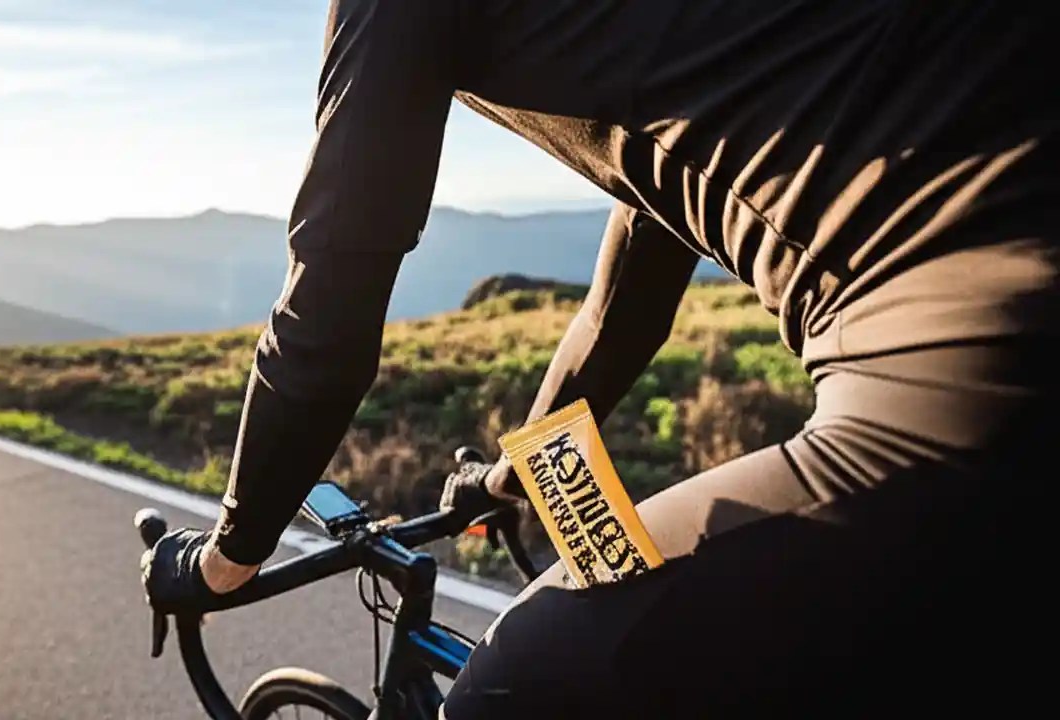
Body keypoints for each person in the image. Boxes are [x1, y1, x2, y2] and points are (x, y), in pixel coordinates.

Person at [142, 1, 1056, 716]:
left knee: (519, 687)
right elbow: (638, 270)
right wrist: (517, 473)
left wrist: (226, 559)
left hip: (974, 346)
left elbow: (331, 304)